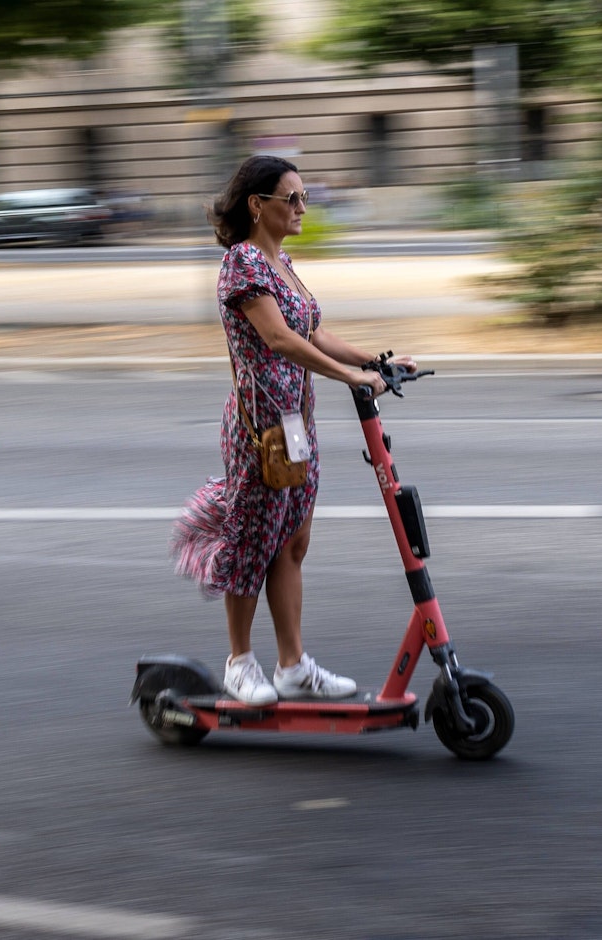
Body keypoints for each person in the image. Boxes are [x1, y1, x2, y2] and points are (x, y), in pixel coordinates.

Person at [171, 154, 416, 706]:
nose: (303, 207)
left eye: (306, 197)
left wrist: (377, 362)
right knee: (253, 542)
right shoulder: (243, 264)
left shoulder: (281, 262)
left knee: (292, 542)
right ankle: (239, 662)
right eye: (293, 199)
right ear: (259, 205)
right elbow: (279, 339)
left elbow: (314, 332)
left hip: (296, 423)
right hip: (261, 429)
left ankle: (292, 667)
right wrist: (352, 376)